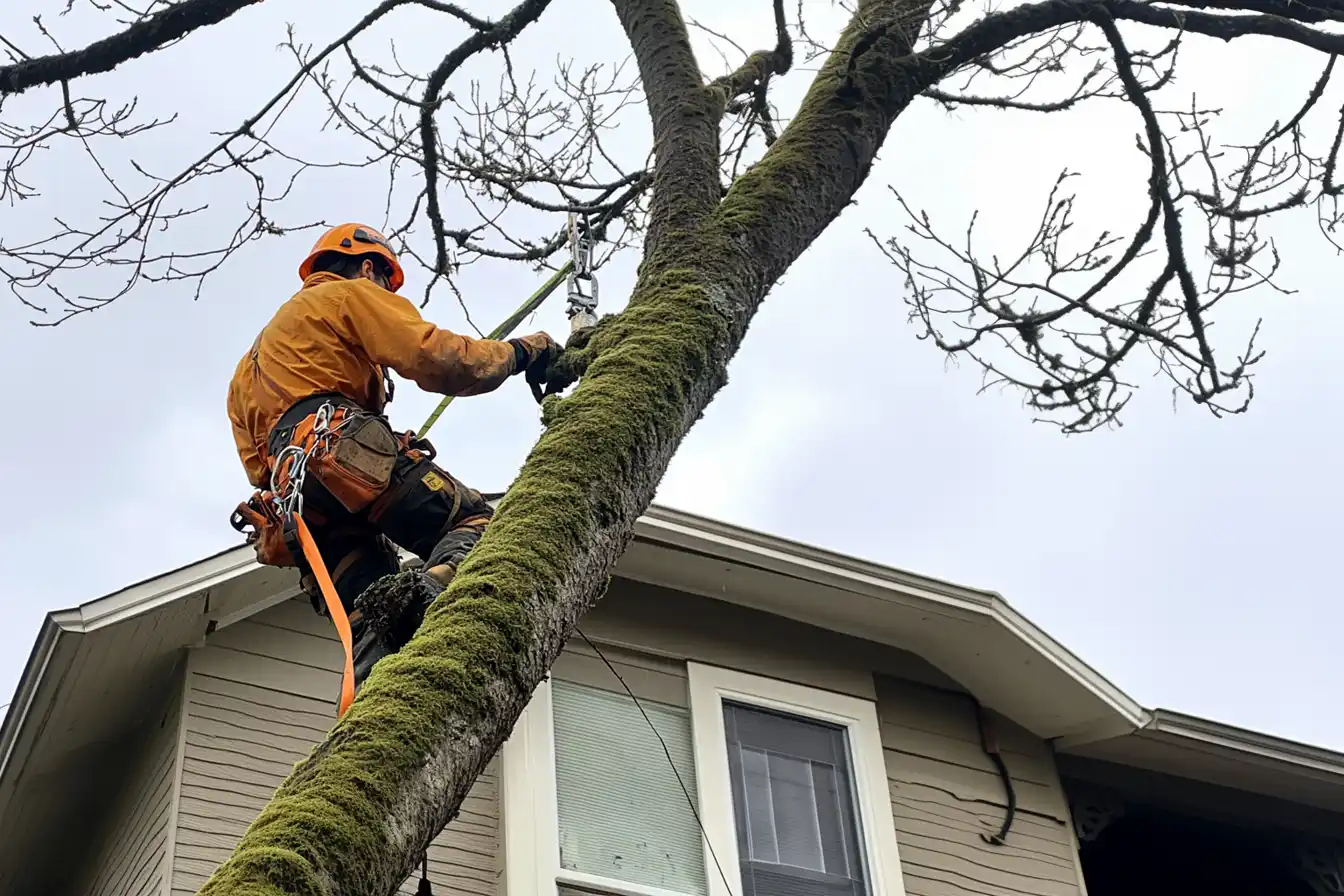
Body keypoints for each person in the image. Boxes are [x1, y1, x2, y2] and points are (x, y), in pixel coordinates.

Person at [226, 222, 563, 694]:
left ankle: (373, 708)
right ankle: (429, 593)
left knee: (373, 624)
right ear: (368, 268)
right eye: (384, 281)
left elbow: (256, 467)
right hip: (344, 451)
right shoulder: (345, 297)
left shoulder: (249, 366)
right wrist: (522, 352)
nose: (384, 291)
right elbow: (439, 358)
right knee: (474, 525)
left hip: (302, 505)